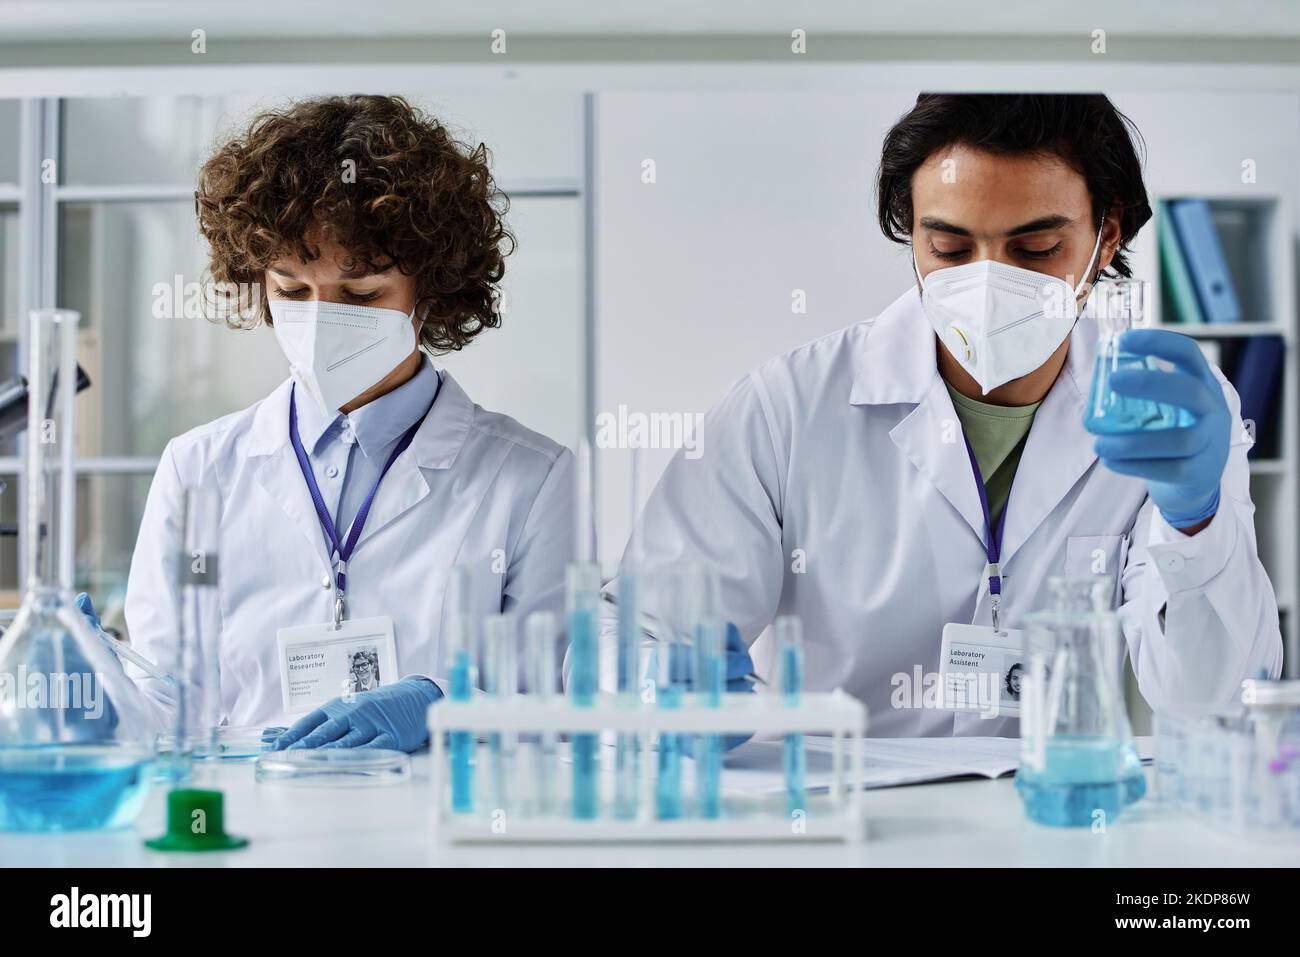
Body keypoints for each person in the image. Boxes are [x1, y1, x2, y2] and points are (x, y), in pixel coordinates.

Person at [601, 93, 1282, 738]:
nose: (988, 284)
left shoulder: (1168, 411)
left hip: (1054, 814)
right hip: (849, 817)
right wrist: (657, 683)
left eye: (1036, 249)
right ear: (912, 232)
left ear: (1105, 237)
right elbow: (629, 638)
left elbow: (1213, 699)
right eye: (951, 250)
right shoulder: (787, 410)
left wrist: (1198, 522)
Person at [102, 95, 573, 751]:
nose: (322, 322)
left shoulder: (531, 479)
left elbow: (551, 707)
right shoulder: (197, 468)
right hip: (249, 836)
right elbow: (165, 704)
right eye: (292, 290)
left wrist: (444, 707)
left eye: (361, 294)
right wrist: (98, 696)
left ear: (429, 291)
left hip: (434, 841)